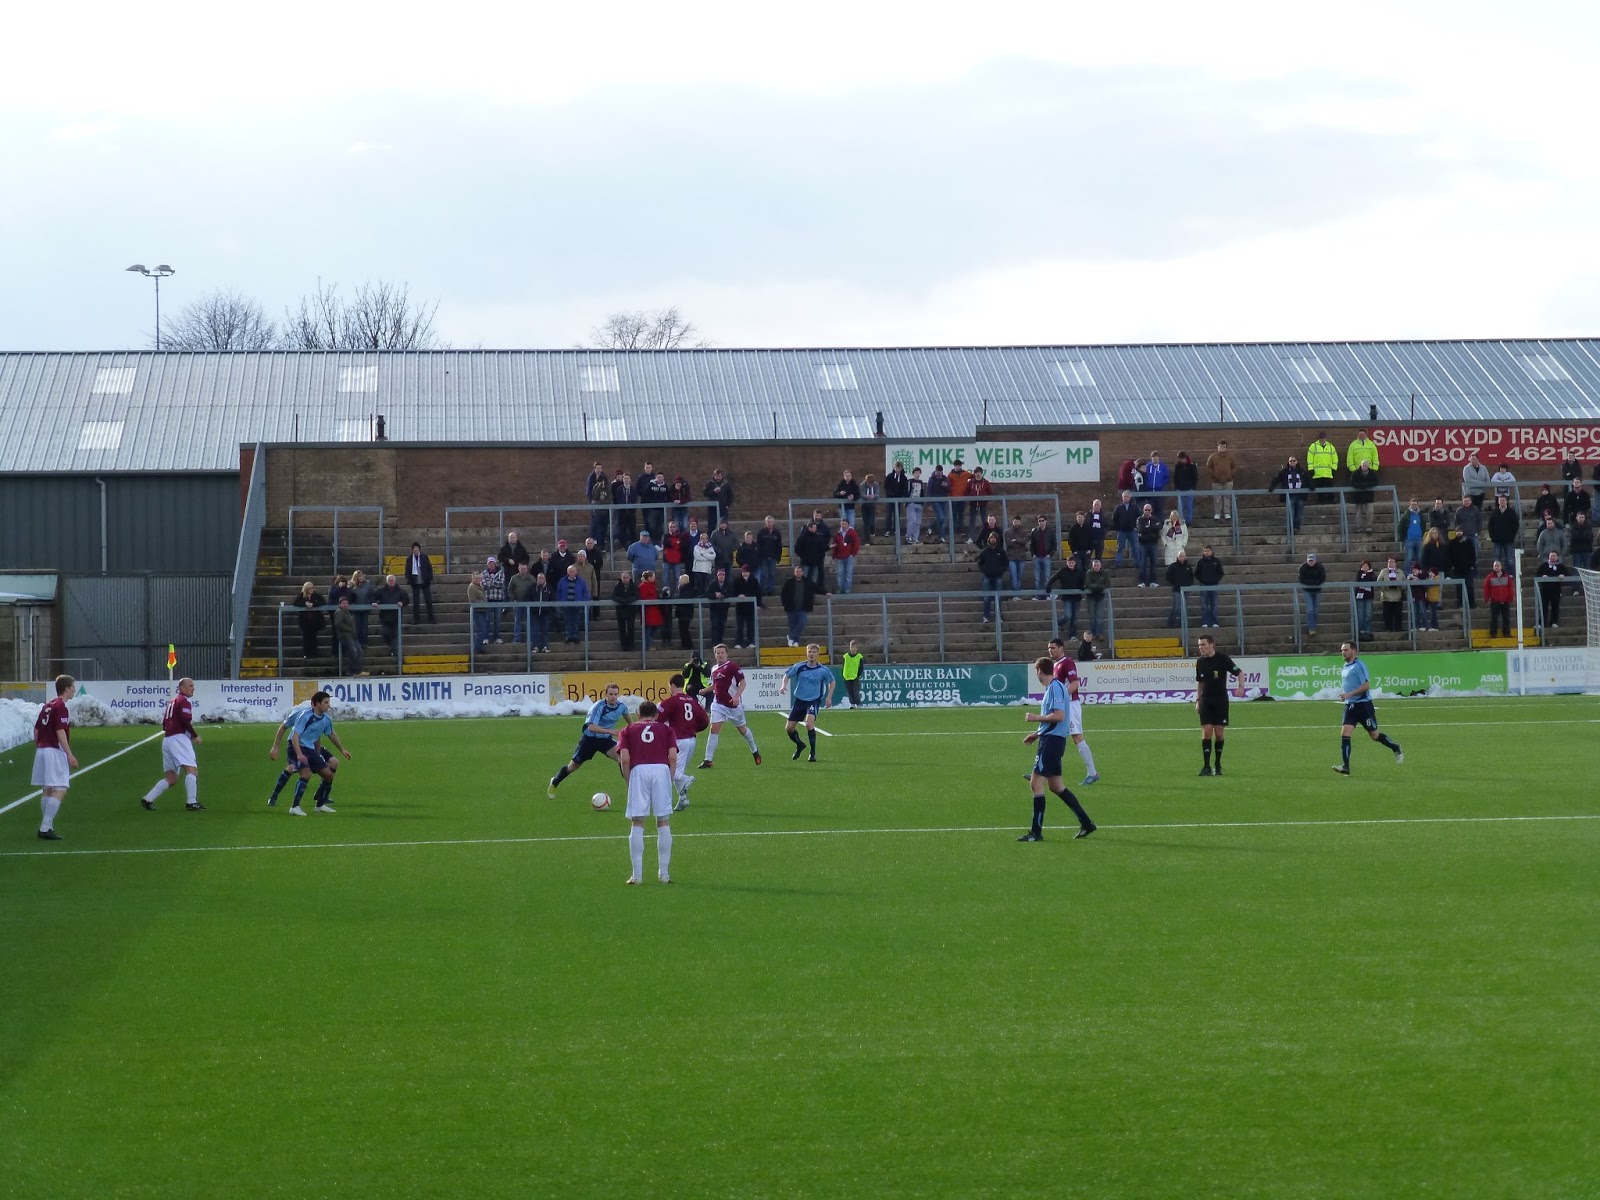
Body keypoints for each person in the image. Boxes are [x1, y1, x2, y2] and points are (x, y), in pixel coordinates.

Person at [1017, 657, 1096, 842]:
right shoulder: (1054, 688)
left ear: (1039, 671)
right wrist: (1036, 734)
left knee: (1036, 784)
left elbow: (1059, 716)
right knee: (1056, 786)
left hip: (1052, 743)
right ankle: (1086, 823)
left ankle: (1036, 833)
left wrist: (1035, 717)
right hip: (1051, 739)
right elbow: (1054, 719)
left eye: (1036, 671)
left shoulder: (1055, 688)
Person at [616, 701, 677, 885]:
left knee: (638, 821)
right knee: (663, 821)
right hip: (661, 770)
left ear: (637, 714)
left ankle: (637, 876)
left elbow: (625, 759)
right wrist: (669, 777)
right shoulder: (666, 730)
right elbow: (673, 756)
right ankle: (664, 875)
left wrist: (629, 780)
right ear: (656, 715)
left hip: (639, 771)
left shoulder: (627, 730)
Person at [1332, 642, 1403, 774]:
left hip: (1363, 706)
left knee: (1374, 735)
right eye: (1342, 650)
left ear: (1353, 651)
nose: (1343, 652)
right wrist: (1347, 697)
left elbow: (1366, 685)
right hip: (1350, 706)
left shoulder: (1359, 666)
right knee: (1345, 734)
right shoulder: (1345, 666)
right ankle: (1346, 767)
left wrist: (1349, 694)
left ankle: (1395, 747)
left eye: (1345, 650)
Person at [548, 682, 630, 797]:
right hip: (589, 740)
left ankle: (630, 788)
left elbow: (630, 723)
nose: (613, 697)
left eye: (615, 694)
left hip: (605, 740)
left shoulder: (622, 707)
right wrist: (611, 731)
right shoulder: (598, 707)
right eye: (611, 694)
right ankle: (555, 781)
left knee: (621, 757)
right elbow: (591, 727)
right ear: (606, 695)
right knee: (573, 766)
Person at [139, 677, 205, 812]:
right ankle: (191, 802)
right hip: (178, 739)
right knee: (192, 770)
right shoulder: (184, 700)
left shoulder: (172, 702)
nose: (193, 688)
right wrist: (194, 735)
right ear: (182, 688)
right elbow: (185, 721)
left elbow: (164, 724)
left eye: (193, 686)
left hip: (167, 740)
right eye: (190, 685)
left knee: (172, 778)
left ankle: (147, 799)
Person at [287, 690, 352, 814]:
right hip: (297, 746)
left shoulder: (326, 719)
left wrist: (342, 749)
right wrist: (299, 754)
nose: (329, 705)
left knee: (328, 775)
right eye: (326, 702)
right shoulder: (306, 716)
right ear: (316, 704)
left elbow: (331, 734)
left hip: (310, 748)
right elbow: (295, 736)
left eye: (329, 702)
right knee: (306, 774)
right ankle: (294, 807)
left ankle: (320, 805)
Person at [31, 675, 78, 840]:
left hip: (42, 750)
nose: (74, 690)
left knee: (48, 789)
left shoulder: (48, 705)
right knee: (60, 788)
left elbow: (36, 730)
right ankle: (45, 827)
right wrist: (69, 755)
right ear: (66, 689)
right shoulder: (61, 707)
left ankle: (47, 826)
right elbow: (60, 732)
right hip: (53, 751)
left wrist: (39, 745)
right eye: (73, 687)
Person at [1048, 638, 1099, 784]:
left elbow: (1075, 683)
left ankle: (1092, 773)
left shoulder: (1067, 662)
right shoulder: (1056, 665)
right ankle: (1042, 771)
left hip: (1070, 705)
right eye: (1049, 648)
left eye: (1053, 648)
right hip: (1063, 706)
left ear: (1061, 648)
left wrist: (1062, 699)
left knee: (1077, 737)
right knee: (1052, 736)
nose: (1051, 650)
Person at [701, 644, 762, 767]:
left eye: (722, 652)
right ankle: (708, 760)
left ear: (726, 654)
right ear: (715, 654)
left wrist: (736, 696)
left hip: (733, 706)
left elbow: (743, 683)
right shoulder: (714, 669)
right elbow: (716, 685)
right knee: (713, 730)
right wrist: (706, 690)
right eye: (717, 653)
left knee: (742, 729)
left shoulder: (732, 666)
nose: (720, 655)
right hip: (718, 704)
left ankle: (754, 750)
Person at [1194, 634, 1243, 776]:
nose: (1200, 648)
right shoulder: (1200, 662)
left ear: (1211, 644)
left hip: (1220, 700)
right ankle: (1206, 766)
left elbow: (1240, 673)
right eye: (1199, 645)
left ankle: (1218, 764)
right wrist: (1198, 700)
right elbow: (1200, 682)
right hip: (1206, 700)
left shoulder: (1223, 659)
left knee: (1219, 733)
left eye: (1203, 644)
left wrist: (1241, 687)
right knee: (1207, 730)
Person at [660, 675, 710, 810]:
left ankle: (686, 779)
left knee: (668, 770)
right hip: (691, 740)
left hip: (678, 741)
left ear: (672, 685)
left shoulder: (672, 701)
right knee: (676, 770)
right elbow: (705, 721)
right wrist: (693, 728)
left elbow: (658, 718)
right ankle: (683, 799)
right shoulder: (692, 701)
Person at [784, 643, 836, 762]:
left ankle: (812, 753)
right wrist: (783, 686)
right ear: (806, 653)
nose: (811, 654)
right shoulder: (799, 666)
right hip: (799, 701)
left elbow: (832, 682)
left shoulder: (823, 670)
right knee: (789, 728)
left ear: (818, 654)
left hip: (813, 700)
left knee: (809, 723)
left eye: (814, 652)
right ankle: (800, 745)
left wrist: (829, 698)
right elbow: (787, 675)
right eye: (809, 652)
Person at [1046, 554, 1086, 639]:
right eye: (1069, 562)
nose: (1071, 564)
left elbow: (1083, 582)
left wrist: (1082, 587)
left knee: (1075, 618)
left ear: (1075, 563)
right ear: (1067, 563)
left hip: (1076, 598)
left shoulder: (1079, 572)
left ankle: (1072, 635)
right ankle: (1059, 622)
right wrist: (1048, 587)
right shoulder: (1062, 571)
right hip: (1066, 597)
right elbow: (1053, 578)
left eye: (1072, 562)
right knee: (1068, 615)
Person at [779, 565, 819, 646]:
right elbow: (783, 594)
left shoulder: (807, 582)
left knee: (802, 623)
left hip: (803, 608)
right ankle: (795, 641)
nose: (799, 573)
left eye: (800, 571)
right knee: (792, 625)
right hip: (791, 608)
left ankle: (791, 637)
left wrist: (826, 593)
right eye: (797, 571)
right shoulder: (789, 582)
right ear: (794, 572)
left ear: (802, 572)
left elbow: (817, 588)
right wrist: (785, 605)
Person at [1270, 456, 1308, 533]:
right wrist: (1271, 487)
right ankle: (1290, 528)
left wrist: (1311, 486)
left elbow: (1308, 479)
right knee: (1291, 512)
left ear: (1297, 462)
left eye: (1294, 461)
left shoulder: (1302, 471)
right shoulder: (1284, 472)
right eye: (1290, 461)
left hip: (1300, 496)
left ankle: (1296, 528)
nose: (1292, 462)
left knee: (1299, 513)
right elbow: (1277, 479)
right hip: (1290, 496)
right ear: (1288, 462)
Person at [728, 563, 762, 648]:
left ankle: (750, 642)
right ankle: (738, 643)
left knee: (750, 626)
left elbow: (758, 593)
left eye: (746, 572)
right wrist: (738, 595)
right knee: (740, 626)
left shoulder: (754, 581)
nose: (745, 573)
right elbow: (733, 592)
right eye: (743, 572)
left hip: (750, 608)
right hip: (740, 608)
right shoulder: (737, 581)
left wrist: (758, 604)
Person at [977, 531, 1008, 622]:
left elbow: (1006, 562)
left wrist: (1001, 570)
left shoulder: (1001, 551)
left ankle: (998, 616)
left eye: (994, 538)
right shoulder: (984, 551)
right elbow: (979, 562)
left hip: (998, 576)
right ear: (989, 539)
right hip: (987, 576)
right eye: (991, 538)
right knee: (987, 597)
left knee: (998, 597)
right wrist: (985, 570)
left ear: (996, 539)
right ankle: (986, 616)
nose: (993, 539)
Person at [1535, 552, 1572, 627]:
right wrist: (1543, 576)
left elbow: (1567, 575)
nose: (1552, 557)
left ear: (1557, 557)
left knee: (1555, 607)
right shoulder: (1544, 565)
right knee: (1543, 607)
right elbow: (1537, 575)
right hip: (1544, 590)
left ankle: (1554, 622)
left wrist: (1563, 575)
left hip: (1556, 590)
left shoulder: (1560, 566)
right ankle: (1541, 623)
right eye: (1551, 556)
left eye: (1554, 556)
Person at [556, 564, 591, 643]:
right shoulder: (562, 581)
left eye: (573, 571)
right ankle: (568, 635)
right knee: (568, 620)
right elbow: (559, 592)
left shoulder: (581, 581)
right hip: (566, 604)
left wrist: (583, 602)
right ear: (567, 572)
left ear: (576, 572)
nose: (571, 573)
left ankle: (575, 636)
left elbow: (585, 592)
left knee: (575, 620)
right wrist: (560, 602)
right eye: (570, 572)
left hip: (577, 605)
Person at [374, 574, 407, 656]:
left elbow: (406, 599)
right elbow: (373, 597)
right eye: (390, 580)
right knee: (386, 633)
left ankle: (393, 649)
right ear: (387, 581)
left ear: (395, 581)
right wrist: (374, 602)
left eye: (392, 580)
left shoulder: (401, 591)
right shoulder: (381, 591)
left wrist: (402, 603)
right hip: (385, 617)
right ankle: (391, 647)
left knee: (396, 634)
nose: (391, 582)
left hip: (396, 617)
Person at [1486, 494, 1520, 572]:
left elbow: (1516, 525)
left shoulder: (1511, 512)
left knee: (1509, 558)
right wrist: (1492, 536)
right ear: (1498, 502)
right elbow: (1490, 526)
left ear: (1506, 501)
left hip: (1508, 540)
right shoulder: (1495, 513)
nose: (1502, 502)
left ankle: (1510, 574)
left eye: (1503, 500)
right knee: (1497, 558)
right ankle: (1496, 573)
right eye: (1500, 500)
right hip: (1497, 540)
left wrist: (1512, 536)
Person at [1193, 544, 1225, 628]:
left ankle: (1215, 622)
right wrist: (1202, 580)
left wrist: (1215, 580)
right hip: (1204, 585)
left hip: (1214, 585)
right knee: (1204, 605)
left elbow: (1221, 572)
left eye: (1208, 551)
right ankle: (1205, 622)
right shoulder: (1200, 562)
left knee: (1214, 604)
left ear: (1211, 551)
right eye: (1205, 551)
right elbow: (1196, 573)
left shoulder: (1216, 561)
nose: (1206, 552)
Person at [404, 541, 435, 624]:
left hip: (425, 582)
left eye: (417, 549)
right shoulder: (410, 559)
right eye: (414, 549)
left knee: (428, 600)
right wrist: (410, 580)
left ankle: (431, 618)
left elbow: (429, 568)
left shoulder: (424, 557)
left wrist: (429, 579)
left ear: (419, 549)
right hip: (415, 583)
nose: (416, 550)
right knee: (416, 602)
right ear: (412, 550)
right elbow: (407, 571)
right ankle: (416, 619)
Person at [1206, 439, 1238, 520]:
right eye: (1221, 446)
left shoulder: (1230, 457)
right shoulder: (1213, 457)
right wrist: (1214, 476)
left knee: (1227, 497)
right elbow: (1208, 467)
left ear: (1226, 448)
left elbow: (1235, 466)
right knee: (1217, 497)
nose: (1222, 448)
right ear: (1218, 447)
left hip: (1228, 481)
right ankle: (1217, 513)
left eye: (1224, 447)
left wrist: (1231, 475)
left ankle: (1227, 512)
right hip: (1216, 481)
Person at [331, 597, 364, 676]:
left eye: (346, 603)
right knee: (354, 652)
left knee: (359, 652)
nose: (345, 605)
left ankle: (357, 670)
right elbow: (338, 624)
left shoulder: (348, 613)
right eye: (343, 603)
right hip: (345, 636)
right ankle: (353, 671)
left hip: (352, 636)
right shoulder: (339, 612)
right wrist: (349, 629)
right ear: (340, 604)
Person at [1298, 552, 1326, 636]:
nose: (1311, 562)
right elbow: (1301, 579)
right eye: (1309, 561)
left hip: (1317, 590)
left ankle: (1313, 625)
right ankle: (1312, 628)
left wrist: (1316, 583)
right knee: (1310, 609)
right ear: (1307, 561)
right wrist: (1311, 583)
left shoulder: (1320, 567)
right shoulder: (1303, 567)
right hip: (1307, 590)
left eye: (1312, 561)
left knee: (1316, 610)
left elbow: (1322, 578)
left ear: (1315, 561)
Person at [480, 556, 507, 644]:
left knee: (497, 620)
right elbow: (484, 585)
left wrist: (491, 582)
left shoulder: (501, 573)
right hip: (487, 599)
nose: (491, 565)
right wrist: (495, 583)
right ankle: (486, 637)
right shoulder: (483, 573)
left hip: (498, 599)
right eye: (489, 563)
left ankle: (497, 637)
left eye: (492, 563)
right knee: (487, 619)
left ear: (495, 564)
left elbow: (501, 584)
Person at [1484, 560, 1514, 638]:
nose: (1496, 567)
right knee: (1494, 618)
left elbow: (1510, 588)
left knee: (1506, 618)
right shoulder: (1489, 577)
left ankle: (1506, 633)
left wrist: (1511, 597)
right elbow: (1486, 589)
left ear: (1501, 566)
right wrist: (1487, 598)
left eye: (1498, 565)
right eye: (1495, 566)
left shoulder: (1507, 577)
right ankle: (1493, 633)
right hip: (1495, 601)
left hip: (1505, 601)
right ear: (1493, 567)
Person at [612, 569, 640, 651]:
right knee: (622, 628)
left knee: (631, 628)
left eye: (627, 577)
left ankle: (631, 645)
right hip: (620, 610)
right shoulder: (617, 586)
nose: (625, 579)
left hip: (631, 610)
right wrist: (622, 601)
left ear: (629, 578)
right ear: (621, 578)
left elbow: (636, 596)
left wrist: (628, 601)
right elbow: (613, 596)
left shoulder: (633, 585)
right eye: (624, 577)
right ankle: (624, 646)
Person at [296, 580, 325, 659]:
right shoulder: (302, 596)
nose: (311, 589)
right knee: (306, 638)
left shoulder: (317, 596)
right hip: (305, 621)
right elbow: (295, 603)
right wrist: (304, 603)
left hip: (315, 620)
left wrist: (313, 604)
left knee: (314, 637)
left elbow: (323, 603)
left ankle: (314, 653)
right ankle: (306, 653)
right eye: (309, 588)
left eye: (312, 588)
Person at [1134, 503, 1161, 588]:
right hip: (1143, 544)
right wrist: (1151, 529)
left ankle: (1153, 581)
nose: (1147, 511)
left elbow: (1158, 527)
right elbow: (1140, 529)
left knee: (1153, 563)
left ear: (1151, 510)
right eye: (1146, 510)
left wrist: (1148, 528)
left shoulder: (1155, 519)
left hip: (1153, 544)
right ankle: (1142, 581)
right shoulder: (1139, 519)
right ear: (1143, 510)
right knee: (1142, 563)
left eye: (1149, 510)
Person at [831, 518, 861, 594]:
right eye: (842, 524)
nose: (843, 525)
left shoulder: (852, 533)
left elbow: (856, 543)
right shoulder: (838, 534)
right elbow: (835, 545)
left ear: (848, 525)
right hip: (839, 556)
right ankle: (840, 588)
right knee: (840, 573)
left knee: (849, 573)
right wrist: (834, 555)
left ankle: (847, 589)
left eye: (845, 524)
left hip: (849, 556)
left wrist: (853, 553)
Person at [1165, 550, 1193, 627]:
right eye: (1180, 556)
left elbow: (1191, 577)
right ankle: (1171, 623)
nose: (1181, 558)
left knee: (1184, 607)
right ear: (1177, 557)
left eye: (1183, 556)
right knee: (1176, 607)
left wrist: (1189, 584)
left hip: (1186, 589)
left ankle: (1182, 623)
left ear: (1185, 557)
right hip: (1176, 589)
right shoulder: (1173, 566)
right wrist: (1174, 583)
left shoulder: (1188, 567)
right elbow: (1168, 576)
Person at [1111, 490, 1139, 567]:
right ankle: (1118, 562)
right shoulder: (1118, 508)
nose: (1126, 498)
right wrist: (1118, 528)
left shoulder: (1134, 507)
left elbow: (1139, 518)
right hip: (1122, 531)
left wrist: (1136, 527)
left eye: (1127, 496)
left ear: (1130, 497)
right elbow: (1114, 519)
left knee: (1135, 548)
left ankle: (1137, 563)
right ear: (1122, 498)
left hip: (1132, 531)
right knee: (1119, 548)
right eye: (1124, 496)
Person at [1377, 557, 1406, 633]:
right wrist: (1385, 587)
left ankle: (1398, 628)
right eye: (1389, 562)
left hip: (1397, 596)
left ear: (1395, 563)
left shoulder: (1400, 572)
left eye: (1392, 562)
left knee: (1398, 614)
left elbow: (1405, 582)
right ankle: (1388, 628)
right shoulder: (1383, 572)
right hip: (1386, 596)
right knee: (1387, 614)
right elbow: (1378, 582)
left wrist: (1399, 585)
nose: (1391, 564)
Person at [1306, 431, 1338, 500]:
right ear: (1319, 438)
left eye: (1323, 437)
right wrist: (1310, 469)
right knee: (1320, 492)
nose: (1322, 439)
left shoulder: (1330, 447)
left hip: (1328, 473)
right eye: (1321, 438)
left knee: (1330, 491)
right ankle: (1322, 502)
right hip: (1317, 474)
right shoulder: (1313, 446)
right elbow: (1309, 458)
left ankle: (1330, 502)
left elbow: (1335, 458)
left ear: (1325, 438)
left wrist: (1334, 468)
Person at [1083, 558, 1110, 636]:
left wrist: (1095, 587)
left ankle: (1099, 633)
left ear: (1100, 565)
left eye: (1098, 565)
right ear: (1092, 566)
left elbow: (1107, 584)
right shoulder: (1089, 573)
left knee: (1100, 616)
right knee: (1092, 617)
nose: (1096, 567)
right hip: (1090, 597)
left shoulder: (1105, 573)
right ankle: (1093, 634)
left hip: (1100, 596)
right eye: (1095, 565)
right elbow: (1087, 584)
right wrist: (1099, 586)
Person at [1350, 460, 1379, 531]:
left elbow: (1376, 482)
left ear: (1368, 466)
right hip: (1358, 496)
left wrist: (1367, 485)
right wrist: (1361, 486)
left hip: (1369, 496)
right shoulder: (1355, 473)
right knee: (1358, 512)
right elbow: (1352, 482)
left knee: (1370, 511)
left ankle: (1369, 527)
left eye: (1366, 465)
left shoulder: (1372, 473)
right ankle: (1359, 527)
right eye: (1363, 465)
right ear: (1361, 465)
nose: (1364, 466)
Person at [1397, 498, 1426, 569]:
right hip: (1409, 540)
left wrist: (1421, 535)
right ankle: (1408, 573)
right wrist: (1403, 539)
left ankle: (1419, 573)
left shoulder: (1420, 515)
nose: (1414, 506)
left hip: (1418, 539)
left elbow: (1423, 526)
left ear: (1417, 505)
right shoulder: (1406, 515)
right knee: (1409, 558)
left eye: (1415, 504)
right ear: (1410, 505)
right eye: (1412, 504)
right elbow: (1400, 527)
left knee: (1419, 558)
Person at [1173, 451, 1199, 524]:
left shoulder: (1192, 466)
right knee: (1180, 506)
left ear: (1185, 458)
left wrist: (1193, 487)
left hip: (1190, 488)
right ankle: (1181, 521)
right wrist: (1176, 487)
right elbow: (1175, 477)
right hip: (1180, 489)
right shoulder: (1177, 466)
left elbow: (1195, 477)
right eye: (1180, 459)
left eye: (1182, 459)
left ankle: (1189, 521)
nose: (1181, 461)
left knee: (1189, 505)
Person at [1144, 451, 1171, 520]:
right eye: (1153, 457)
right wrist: (1147, 484)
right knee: (1150, 509)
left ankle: (1160, 524)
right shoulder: (1148, 466)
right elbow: (1144, 476)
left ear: (1159, 458)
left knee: (1160, 509)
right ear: (1151, 458)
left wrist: (1161, 484)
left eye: (1156, 457)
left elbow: (1167, 477)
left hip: (1160, 491)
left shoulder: (1163, 467)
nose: (1155, 459)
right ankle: (1150, 524)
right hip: (1150, 491)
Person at [1353, 560, 1376, 638]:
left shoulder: (1372, 573)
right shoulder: (1359, 573)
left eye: (1366, 566)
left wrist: (1367, 575)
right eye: (1363, 566)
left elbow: (1373, 580)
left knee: (1368, 613)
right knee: (1360, 614)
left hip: (1369, 596)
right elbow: (1359, 580)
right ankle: (1360, 630)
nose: (1365, 567)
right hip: (1360, 595)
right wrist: (1365, 576)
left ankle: (1367, 629)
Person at [905, 467, 927, 543]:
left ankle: (915, 537)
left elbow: (922, 493)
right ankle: (909, 536)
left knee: (918, 522)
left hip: (919, 503)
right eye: (916, 472)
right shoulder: (910, 481)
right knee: (912, 520)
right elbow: (907, 491)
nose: (917, 474)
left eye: (919, 473)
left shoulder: (921, 482)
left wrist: (922, 503)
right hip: (911, 503)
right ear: (913, 473)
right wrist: (906, 501)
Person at [841, 639, 864, 708]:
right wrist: (844, 674)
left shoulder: (859, 656)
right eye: (851, 647)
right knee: (850, 692)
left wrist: (858, 675)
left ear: (857, 648)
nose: (853, 649)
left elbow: (861, 667)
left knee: (855, 691)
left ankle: (858, 704)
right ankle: (852, 704)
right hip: (847, 677)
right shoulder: (846, 656)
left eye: (854, 647)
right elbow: (843, 665)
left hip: (855, 677)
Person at [858, 474, 880, 544]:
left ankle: (872, 532)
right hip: (864, 505)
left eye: (871, 484)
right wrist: (867, 497)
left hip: (872, 505)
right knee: (866, 523)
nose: (870, 485)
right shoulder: (862, 485)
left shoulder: (876, 485)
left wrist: (874, 496)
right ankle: (867, 539)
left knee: (872, 521)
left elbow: (877, 493)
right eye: (869, 484)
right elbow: (861, 494)